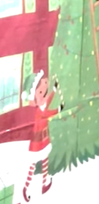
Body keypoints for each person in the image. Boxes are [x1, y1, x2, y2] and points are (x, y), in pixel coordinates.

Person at [22, 70, 57, 201]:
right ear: (35, 98)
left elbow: (48, 101)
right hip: (37, 141)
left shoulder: (43, 104)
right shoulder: (39, 111)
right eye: (41, 93)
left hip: (44, 138)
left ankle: (44, 184)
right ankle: (25, 188)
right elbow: (47, 114)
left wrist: (53, 91)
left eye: (44, 92)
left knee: (44, 160)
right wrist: (58, 109)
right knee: (32, 164)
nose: (44, 96)